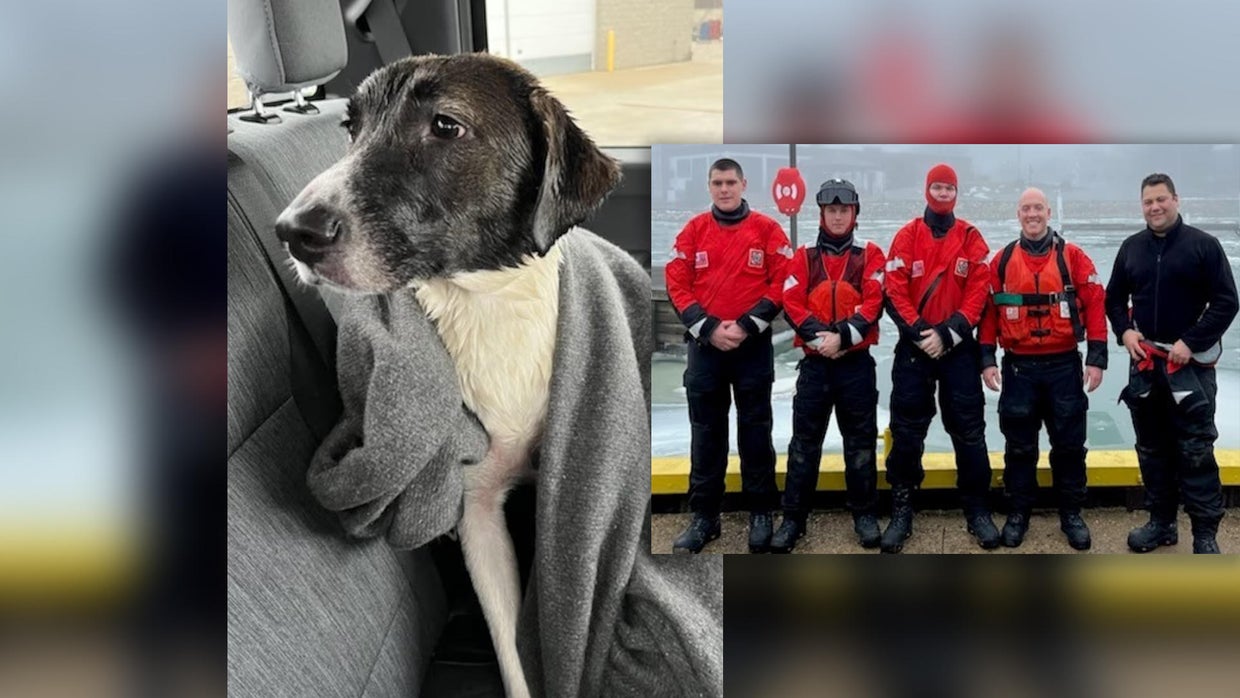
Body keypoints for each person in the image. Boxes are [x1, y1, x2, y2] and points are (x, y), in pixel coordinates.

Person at [1105, 173, 1238, 554]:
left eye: (1161, 199)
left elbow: (1227, 302)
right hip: (1146, 365)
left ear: (1176, 200)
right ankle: (1161, 524)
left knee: (1196, 451)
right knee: (1151, 449)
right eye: (1148, 202)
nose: (1155, 207)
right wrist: (1125, 333)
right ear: (1142, 206)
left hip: (1190, 368)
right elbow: (1113, 299)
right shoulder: (1131, 248)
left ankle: (1204, 533)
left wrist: (1190, 342)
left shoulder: (1204, 246)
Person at [665, 158, 792, 553]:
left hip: (752, 348)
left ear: (743, 184)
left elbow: (782, 281)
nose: (724, 189)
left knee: (756, 432)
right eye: (718, 182)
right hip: (706, 350)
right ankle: (705, 516)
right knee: (706, 434)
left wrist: (747, 325)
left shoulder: (768, 230)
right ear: (709, 186)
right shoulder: (693, 231)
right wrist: (708, 328)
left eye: (730, 182)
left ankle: (761, 512)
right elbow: (676, 283)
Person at [978, 187, 1107, 551]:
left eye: (1038, 208)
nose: (1032, 214)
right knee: (1019, 448)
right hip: (1018, 369)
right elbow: (988, 313)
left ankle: (1072, 514)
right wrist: (986, 359)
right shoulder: (1002, 261)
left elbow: (1096, 304)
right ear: (1018, 215)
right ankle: (1018, 514)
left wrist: (1096, 359)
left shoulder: (1073, 257)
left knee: (1069, 447)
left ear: (1049, 213)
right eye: (1026, 209)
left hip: (1064, 366)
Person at [880, 163, 998, 552]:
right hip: (915, 350)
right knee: (907, 431)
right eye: (938, 187)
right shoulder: (907, 236)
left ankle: (977, 510)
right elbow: (894, 291)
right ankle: (902, 511)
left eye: (949, 188)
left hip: (958, 350)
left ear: (956, 193)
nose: (944, 193)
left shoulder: (971, 237)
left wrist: (948, 333)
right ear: (927, 191)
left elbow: (979, 293)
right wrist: (919, 333)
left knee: (969, 431)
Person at [770, 179, 886, 552]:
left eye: (844, 210)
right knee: (804, 446)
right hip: (815, 366)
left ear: (855, 214)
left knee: (861, 445)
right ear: (821, 214)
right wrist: (824, 341)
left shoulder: (870, 254)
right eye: (831, 210)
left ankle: (864, 515)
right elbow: (792, 301)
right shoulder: (803, 256)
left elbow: (874, 303)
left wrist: (843, 338)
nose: (838, 217)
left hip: (856, 366)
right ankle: (793, 519)